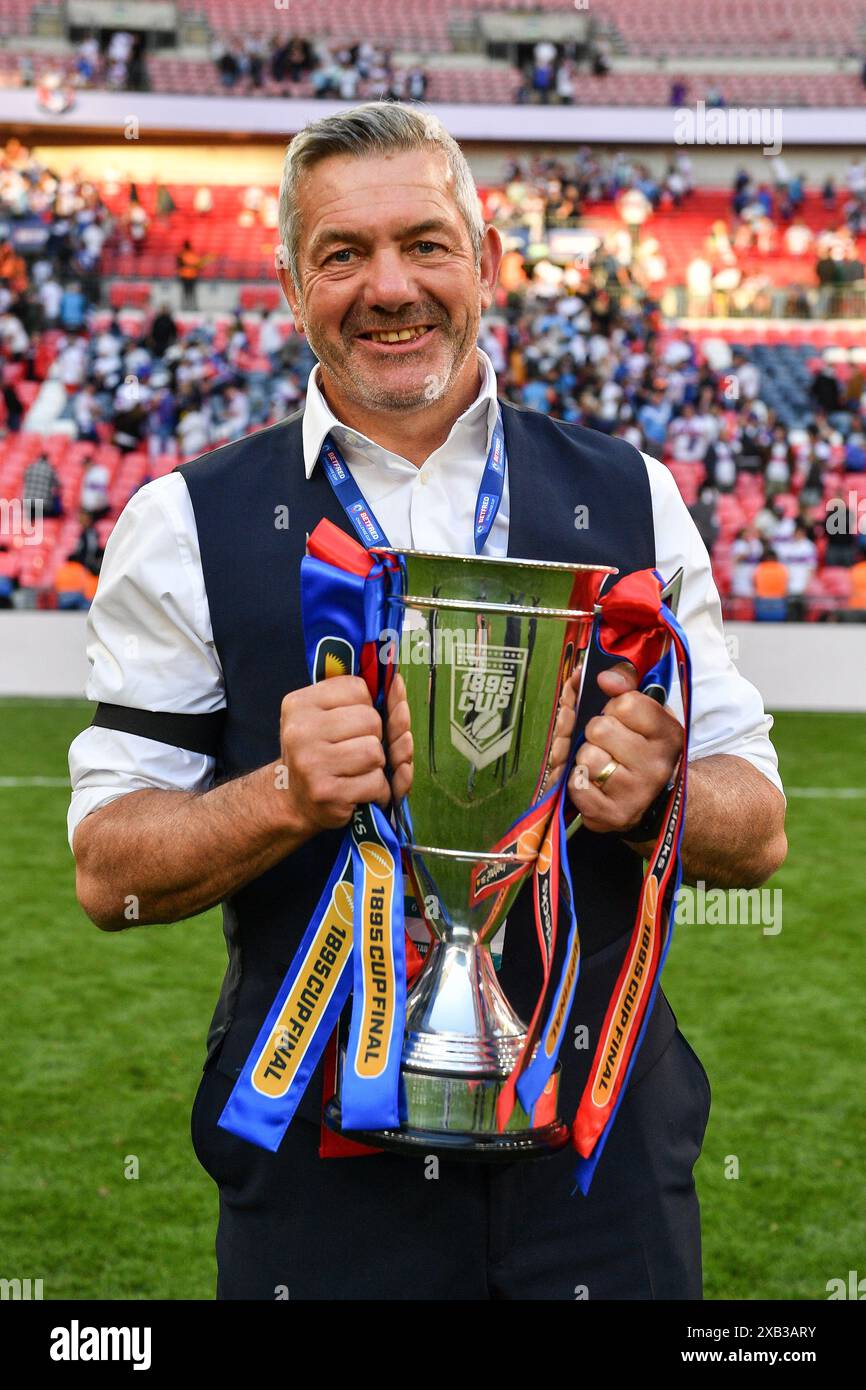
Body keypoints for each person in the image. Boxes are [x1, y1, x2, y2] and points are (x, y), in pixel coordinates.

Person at [68, 103, 786, 1302]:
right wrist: (283, 798)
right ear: (291, 286)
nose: (389, 286)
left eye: (425, 243)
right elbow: (110, 873)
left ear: (487, 262)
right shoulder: (182, 521)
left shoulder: (632, 492)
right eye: (342, 255)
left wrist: (657, 794)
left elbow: (756, 829)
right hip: (319, 1184)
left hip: (597, 1173)